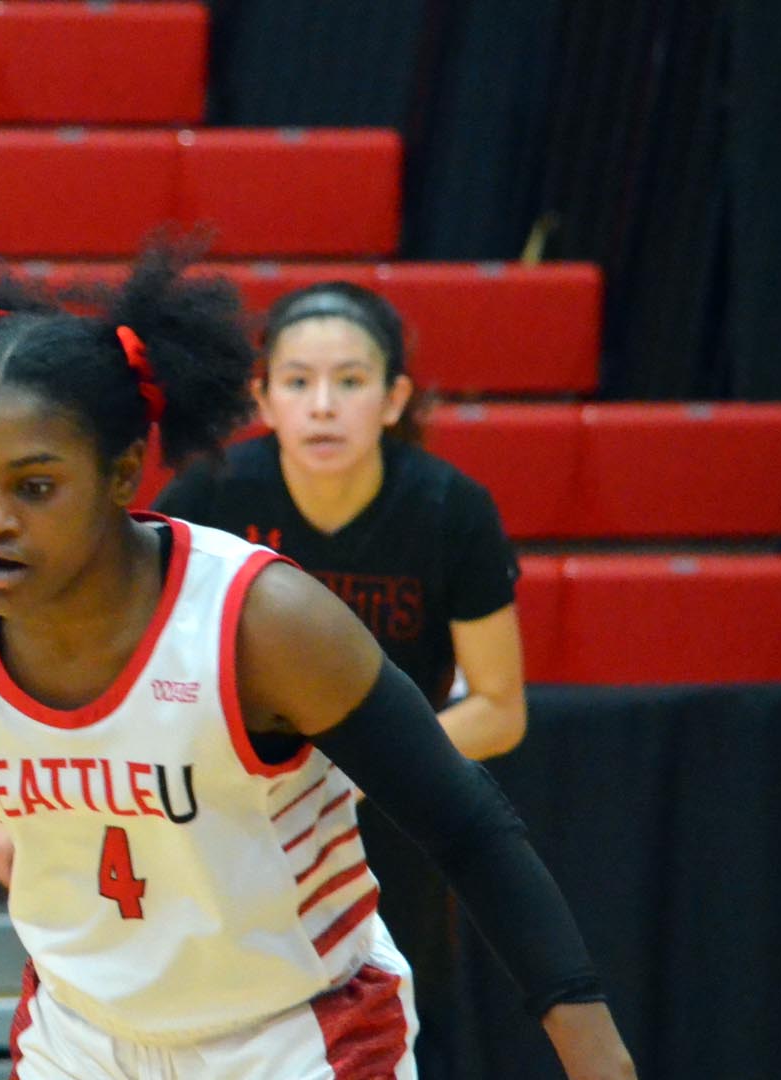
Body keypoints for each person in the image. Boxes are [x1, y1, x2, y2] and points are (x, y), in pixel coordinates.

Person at [0, 246, 637, 1080]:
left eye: (35, 486)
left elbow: (465, 826)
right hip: (78, 1037)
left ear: (122, 474)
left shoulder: (264, 625)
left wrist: (593, 1049)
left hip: (298, 1035)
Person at [149, 280, 526, 1076]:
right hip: (233, 818)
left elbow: (499, 708)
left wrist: (362, 766)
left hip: (395, 821)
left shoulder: (452, 510)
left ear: (394, 400)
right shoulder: (209, 495)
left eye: (350, 381)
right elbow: (139, 656)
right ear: (264, 398)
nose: (323, 406)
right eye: (298, 381)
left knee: (391, 1033)